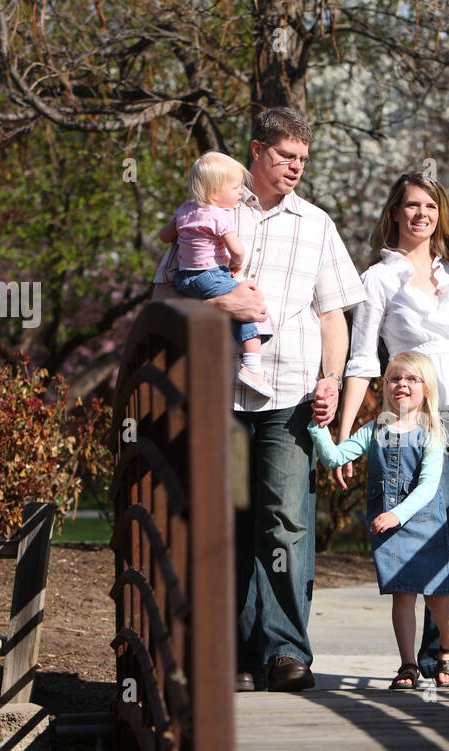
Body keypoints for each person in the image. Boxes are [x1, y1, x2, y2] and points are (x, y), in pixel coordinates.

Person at [153, 107, 365, 692]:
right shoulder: (212, 208)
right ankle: (238, 656)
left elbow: (333, 313)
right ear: (256, 151)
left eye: (302, 158)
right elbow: (165, 291)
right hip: (218, 393)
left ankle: (286, 652)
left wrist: (331, 377)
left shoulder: (317, 223)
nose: (295, 167)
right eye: (284, 156)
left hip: (291, 393)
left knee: (287, 521)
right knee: (230, 522)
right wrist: (225, 305)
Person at [335, 172, 449, 686]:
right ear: (395, 212)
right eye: (411, 205)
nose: (421, 215)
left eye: (430, 206)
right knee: (437, 535)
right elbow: (363, 361)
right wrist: (349, 439)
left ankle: (447, 654)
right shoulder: (379, 279)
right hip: (421, 425)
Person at [308, 351, 449, 688]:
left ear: (426, 388)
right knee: (402, 594)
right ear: (385, 385)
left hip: (424, 525)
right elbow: (335, 456)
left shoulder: (432, 431)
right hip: (389, 530)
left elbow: (427, 487)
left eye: (411, 379)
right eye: (394, 378)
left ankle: (448, 648)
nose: (401, 385)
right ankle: (408, 665)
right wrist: (318, 428)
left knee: (437, 596)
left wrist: (396, 514)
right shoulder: (374, 428)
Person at [159, 150, 274, 397]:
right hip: (210, 275)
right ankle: (252, 366)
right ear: (214, 192)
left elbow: (165, 236)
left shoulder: (184, 211)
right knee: (248, 307)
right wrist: (237, 263)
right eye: (235, 188)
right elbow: (238, 250)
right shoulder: (220, 217)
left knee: (232, 306)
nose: (241, 193)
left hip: (184, 278)